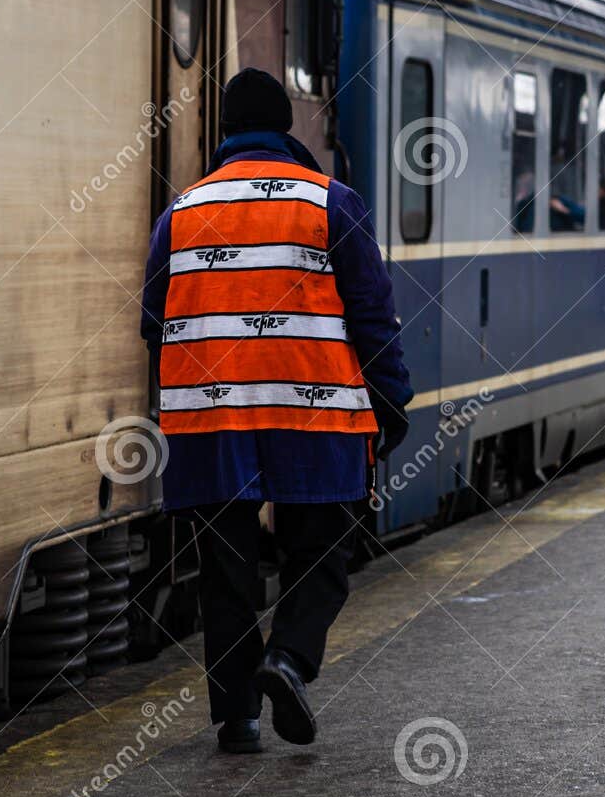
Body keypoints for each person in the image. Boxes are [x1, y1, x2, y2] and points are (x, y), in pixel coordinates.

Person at [140, 68, 412, 754]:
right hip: (314, 413)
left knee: (225, 567)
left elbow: (152, 319)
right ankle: (286, 659)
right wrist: (391, 402)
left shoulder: (183, 211)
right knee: (322, 546)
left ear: (227, 131)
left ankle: (237, 720)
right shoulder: (331, 202)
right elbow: (372, 316)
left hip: (211, 419)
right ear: (284, 128)